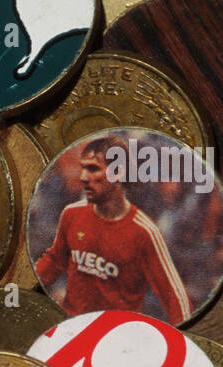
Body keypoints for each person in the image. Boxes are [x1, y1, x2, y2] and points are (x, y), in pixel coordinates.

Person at [34, 134, 191, 324]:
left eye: (92, 169)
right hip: (68, 325)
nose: (83, 176)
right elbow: (53, 262)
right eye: (84, 168)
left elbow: (175, 298)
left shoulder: (144, 231)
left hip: (116, 332)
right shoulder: (71, 214)